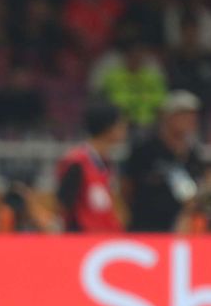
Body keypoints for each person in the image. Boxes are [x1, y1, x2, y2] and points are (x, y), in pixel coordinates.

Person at [122, 90, 203, 233]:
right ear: (167, 117)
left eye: (192, 116)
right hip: (144, 228)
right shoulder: (144, 149)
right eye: (183, 115)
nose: (189, 120)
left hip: (179, 230)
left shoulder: (192, 154)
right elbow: (126, 187)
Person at [56, 101, 127, 233]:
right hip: (82, 241)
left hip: (104, 239)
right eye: (120, 123)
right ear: (109, 127)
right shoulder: (77, 162)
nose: (125, 128)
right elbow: (63, 205)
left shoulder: (104, 162)